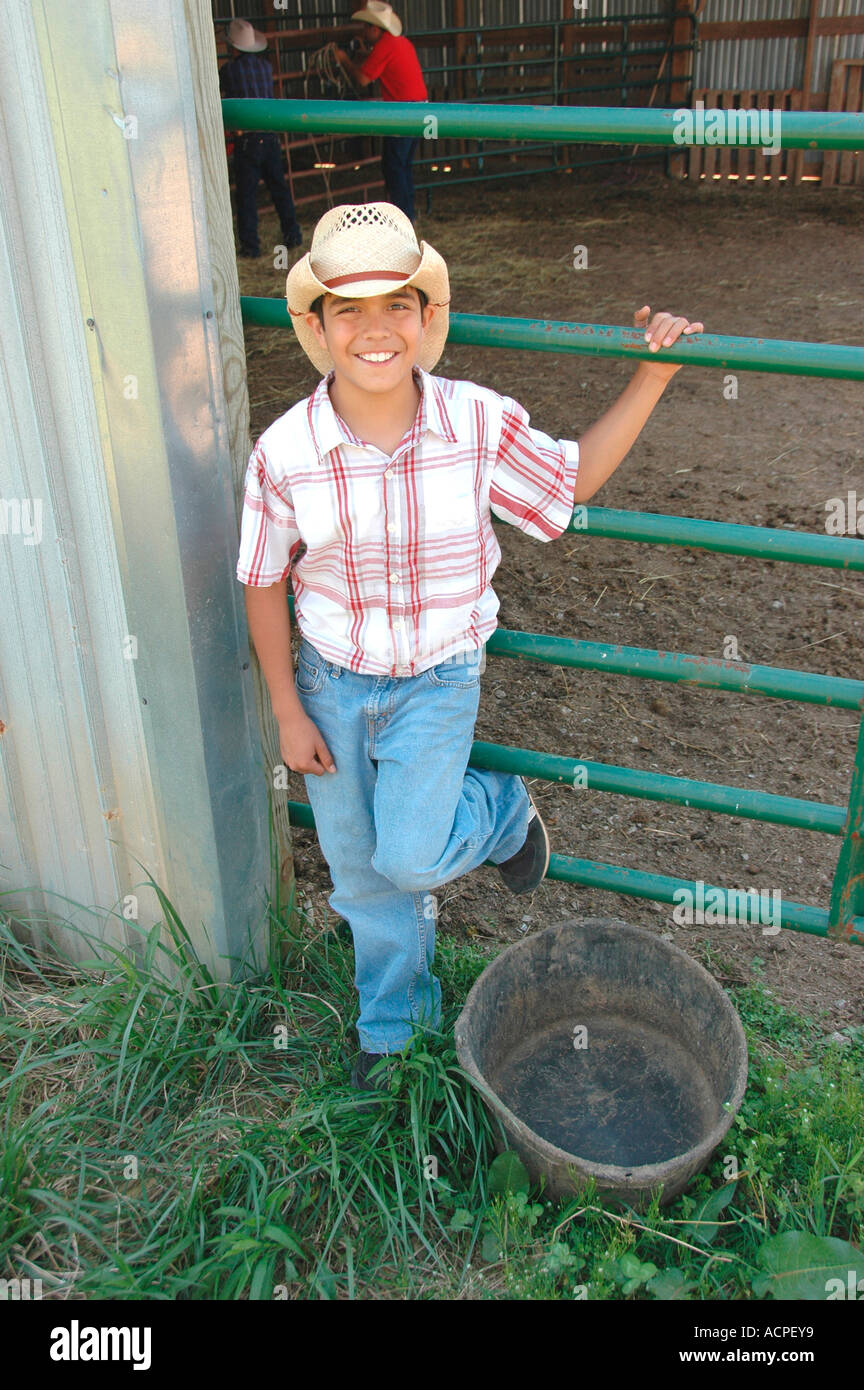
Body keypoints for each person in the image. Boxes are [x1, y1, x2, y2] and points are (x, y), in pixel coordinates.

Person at [235, 202, 704, 1090]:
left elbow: (564, 483)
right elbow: (262, 577)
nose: (376, 330)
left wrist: (651, 376)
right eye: (349, 309)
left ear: (426, 317)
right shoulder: (286, 451)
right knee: (356, 871)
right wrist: (286, 707)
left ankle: (497, 811)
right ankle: (394, 1021)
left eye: (396, 306)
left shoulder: (475, 422)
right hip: (331, 680)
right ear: (317, 325)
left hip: (439, 679)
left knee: (407, 854)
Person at [333, 3, 427, 221]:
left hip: (403, 112)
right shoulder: (399, 43)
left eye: (366, 27)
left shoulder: (385, 46)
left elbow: (364, 79)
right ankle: (408, 215)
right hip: (420, 108)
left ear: (375, 29)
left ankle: (402, 219)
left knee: (394, 167)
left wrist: (344, 60)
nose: (363, 32)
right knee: (403, 165)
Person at [219, 18, 302, 258]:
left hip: (248, 139)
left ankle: (251, 247)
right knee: (279, 189)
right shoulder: (265, 67)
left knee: (246, 195)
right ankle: (293, 235)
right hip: (270, 134)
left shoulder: (229, 71)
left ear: (233, 47)